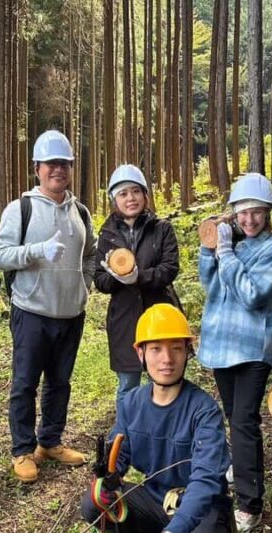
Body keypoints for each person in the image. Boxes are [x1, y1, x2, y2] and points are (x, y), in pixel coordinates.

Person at [81, 303, 233, 533]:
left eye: (176, 348)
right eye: (156, 349)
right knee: (91, 503)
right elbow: (119, 454)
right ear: (140, 353)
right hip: (155, 501)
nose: (167, 359)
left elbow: (205, 482)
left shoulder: (203, 410)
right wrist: (107, 479)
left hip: (199, 508)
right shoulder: (131, 403)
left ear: (187, 352)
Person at [0, 130, 97, 484]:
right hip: (31, 311)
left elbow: (91, 254)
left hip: (71, 313)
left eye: (64, 163)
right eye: (51, 163)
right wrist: (37, 251)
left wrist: (85, 284)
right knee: (25, 383)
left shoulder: (80, 211)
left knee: (60, 382)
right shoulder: (20, 209)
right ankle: (22, 450)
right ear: (37, 167)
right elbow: (0, 255)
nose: (58, 170)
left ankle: (50, 441)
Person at [198, 173, 272, 533]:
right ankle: (241, 464)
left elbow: (253, 295)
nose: (249, 219)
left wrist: (225, 253)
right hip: (222, 344)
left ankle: (249, 505)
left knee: (244, 422)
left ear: (267, 213)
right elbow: (210, 285)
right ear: (234, 213)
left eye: (257, 212)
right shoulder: (232, 243)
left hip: (252, 348)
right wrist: (210, 248)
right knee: (233, 415)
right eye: (243, 213)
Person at [94, 164, 180, 403]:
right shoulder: (107, 234)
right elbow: (99, 279)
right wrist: (117, 277)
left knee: (163, 381)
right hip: (124, 319)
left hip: (159, 315)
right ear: (115, 200)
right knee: (128, 386)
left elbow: (169, 268)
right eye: (123, 194)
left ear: (145, 195)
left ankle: (163, 425)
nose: (130, 198)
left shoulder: (161, 229)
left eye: (135, 191)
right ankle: (127, 427)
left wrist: (138, 277)